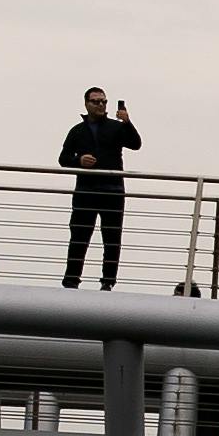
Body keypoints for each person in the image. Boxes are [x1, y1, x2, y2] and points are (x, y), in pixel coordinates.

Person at [60, 85, 140, 288]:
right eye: (96, 101)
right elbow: (63, 158)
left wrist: (127, 122)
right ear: (86, 104)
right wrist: (79, 161)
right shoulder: (77, 131)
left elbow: (136, 143)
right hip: (86, 192)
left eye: (104, 101)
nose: (101, 105)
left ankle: (108, 283)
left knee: (111, 239)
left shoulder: (116, 126)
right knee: (79, 236)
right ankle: (71, 280)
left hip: (112, 191)